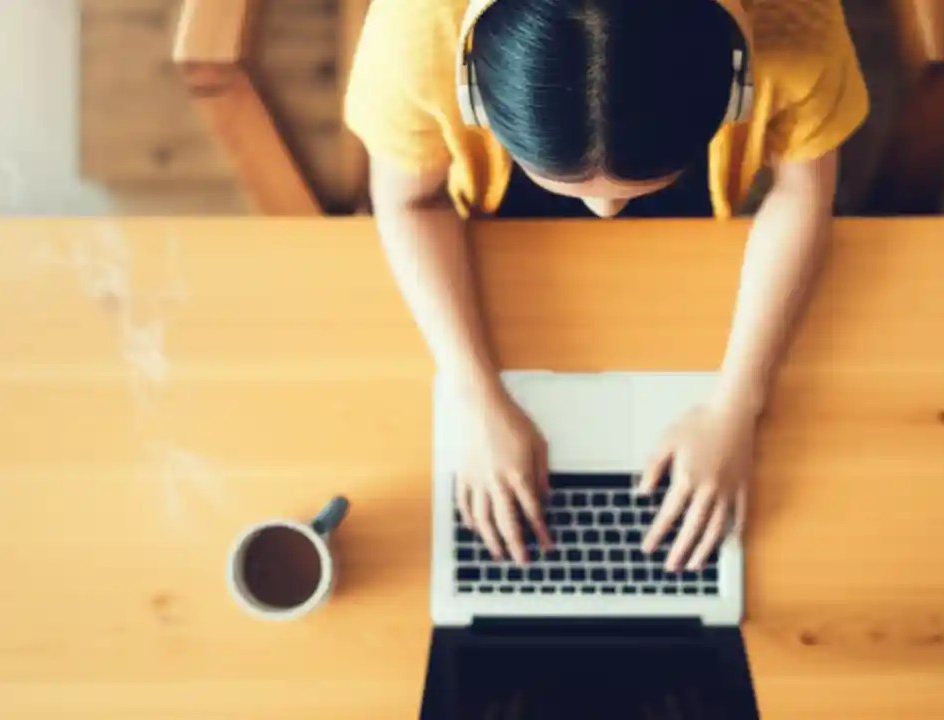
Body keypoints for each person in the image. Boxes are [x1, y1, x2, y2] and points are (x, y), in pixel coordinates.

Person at [346, 0, 868, 574]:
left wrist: (738, 405)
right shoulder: (414, 31)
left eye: (633, 188)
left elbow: (805, 192)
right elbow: (406, 199)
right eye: (575, 187)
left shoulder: (798, 18)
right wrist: (472, 396)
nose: (605, 210)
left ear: (737, 88)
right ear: (472, 95)